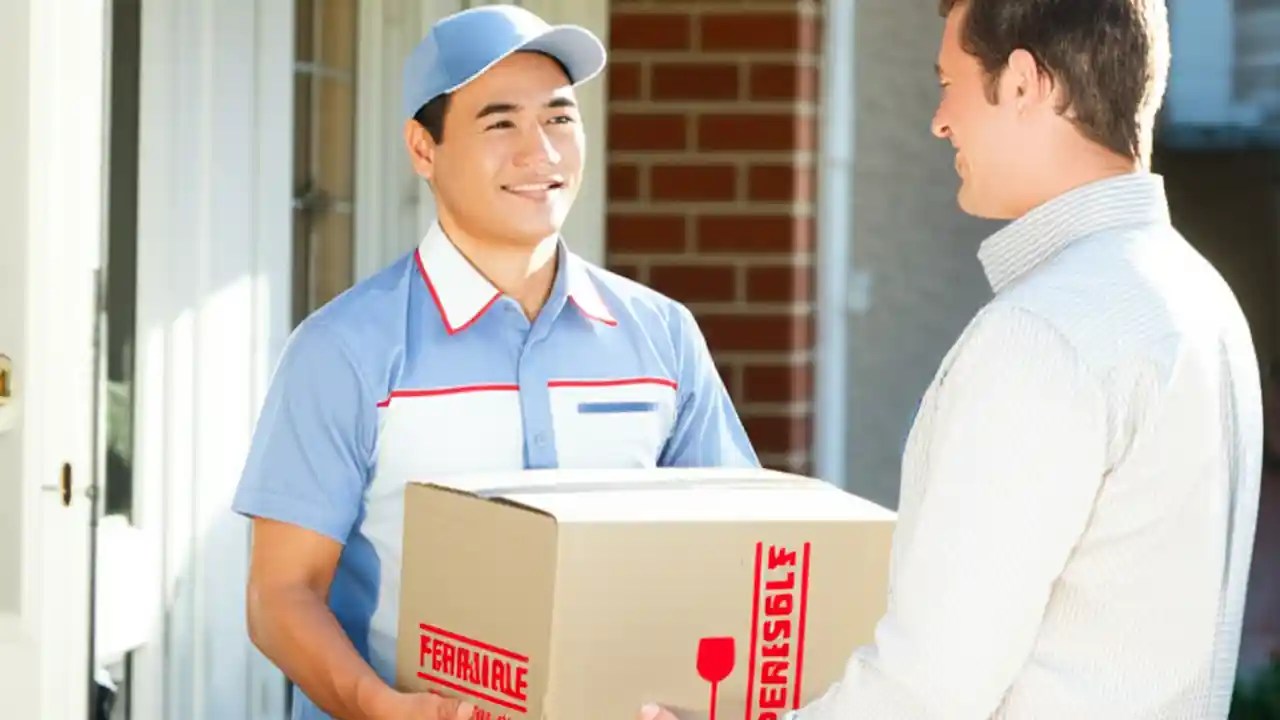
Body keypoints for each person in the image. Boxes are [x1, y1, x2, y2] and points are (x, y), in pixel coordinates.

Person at [643, 0, 1263, 717]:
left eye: (949, 82)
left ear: (1025, 82)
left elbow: (928, 691)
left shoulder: (1043, 333)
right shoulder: (1200, 299)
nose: (940, 120)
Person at [232, 6, 758, 720]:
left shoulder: (662, 335)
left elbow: (734, 550)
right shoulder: (344, 350)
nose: (538, 152)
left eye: (560, 119)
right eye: (500, 122)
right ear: (423, 148)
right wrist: (377, 706)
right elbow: (281, 594)